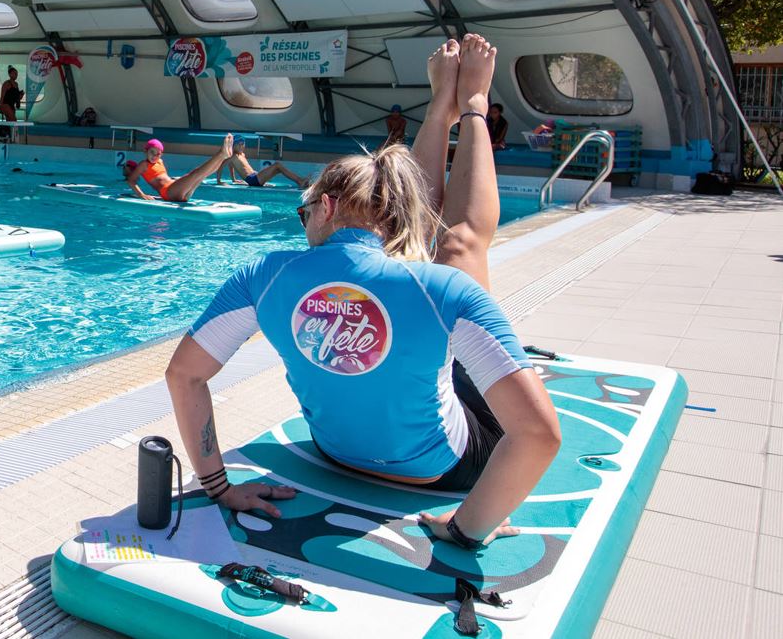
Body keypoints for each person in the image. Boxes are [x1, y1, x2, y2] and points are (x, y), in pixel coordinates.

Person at [164, 34, 560, 551]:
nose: (303, 223)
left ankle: (442, 105)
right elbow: (538, 436)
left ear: (326, 207)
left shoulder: (263, 275)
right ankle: (472, 108)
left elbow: (182, 376)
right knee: (461, 245)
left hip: (335, 453)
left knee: (428, 261)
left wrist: (218, 488)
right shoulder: (445, 289)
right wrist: (467, 528)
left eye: (304, 213)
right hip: (444, 470)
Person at [124, 135, 233, 203]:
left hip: (178, 192)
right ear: (146, 151)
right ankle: (221, 154)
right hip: (168, 192)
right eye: (152, 152)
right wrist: (141, 195)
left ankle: (223, 157)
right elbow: (131, 180)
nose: (155, 156)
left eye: (158, 154)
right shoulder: (144, 164)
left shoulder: (160, 161)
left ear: (161, 155)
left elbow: (162, 177)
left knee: (202, 175)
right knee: (195, 173)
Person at [218, 137, 309, 188]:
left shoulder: (242, 155)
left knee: (278, 169)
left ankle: (300, 180)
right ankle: (300, 181)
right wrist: (219, 181)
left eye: (243, 144)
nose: (242, 146)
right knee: (277, 165)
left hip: (255, 176)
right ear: (233, 146)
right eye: (239, 145)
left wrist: (234, 179)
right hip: (253, 180)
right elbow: (221, 165)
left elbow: (232, 167)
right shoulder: (233, 157)